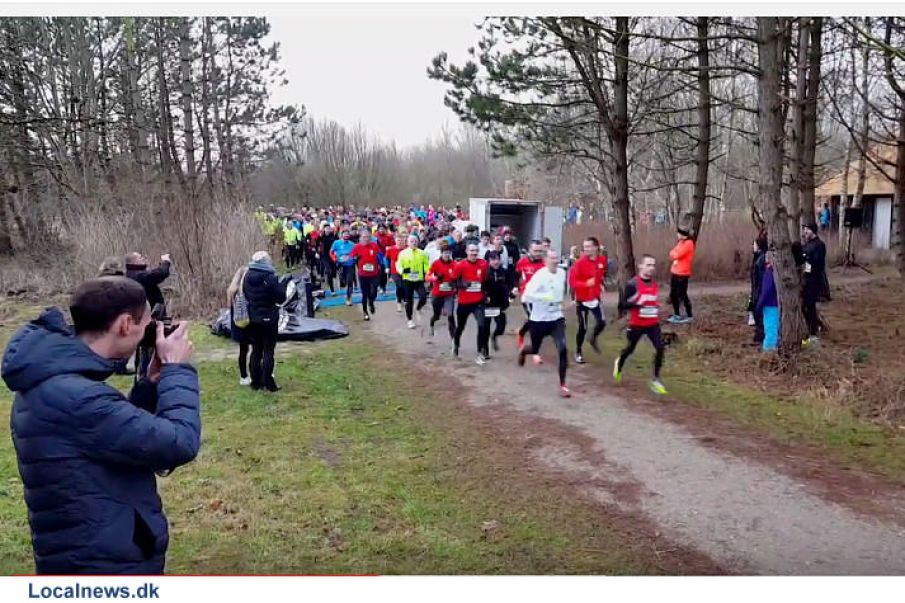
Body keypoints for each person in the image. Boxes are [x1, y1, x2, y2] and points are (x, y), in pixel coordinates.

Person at [2, 276, 200, 574]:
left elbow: (113, 436)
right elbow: (179, 443)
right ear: (124, 325)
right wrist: (177, 370)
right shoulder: (77, 397)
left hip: (86, 550)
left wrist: (150, 385)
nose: (149, 331)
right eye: (147, 323)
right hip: (103, 565)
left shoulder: (53, 383)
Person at [518, 250, 571, 398]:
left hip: (556, 319)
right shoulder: (540, 276)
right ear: (546, 260)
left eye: (556, 258)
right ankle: (523, 351)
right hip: (539, 320)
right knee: (534, 349)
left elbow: (560, 293)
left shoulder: (561, 273)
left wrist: (559, 303)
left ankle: (563, 385)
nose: (555, 261)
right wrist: (544, 297)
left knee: (562, 349)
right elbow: (525, 296)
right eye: (552, 258)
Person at [614, 254, 668, 395]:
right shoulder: (632, 284)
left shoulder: (654, 284)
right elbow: (622, 305)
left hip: (652, 324)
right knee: (630, 349)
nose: (651, 268)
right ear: (640, 266)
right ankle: (619, 364)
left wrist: (655, 306)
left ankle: (655, 379)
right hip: (636, 324)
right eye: (648, 265)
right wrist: (637, 304)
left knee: (660, 348)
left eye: (653, 265)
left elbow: (651, 301)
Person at [243, 251, 288, 391]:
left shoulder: (247, 275)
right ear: (265, 262)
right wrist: (283, 284)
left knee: (256, 350)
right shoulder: (270, 277)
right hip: (269, 317)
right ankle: (268, 382)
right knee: (268, 350)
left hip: (253, 316)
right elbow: (281, 297)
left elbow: (245, 293)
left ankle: (255, 382)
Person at [568, 236, 607, 364]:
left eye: (589, 247)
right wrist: (586, 284)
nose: (586, 249)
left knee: (602, 322)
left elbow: (600, 275)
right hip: (582, 300)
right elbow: (572, 282)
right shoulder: (579, 263)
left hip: (595, 298)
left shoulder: (602, 260)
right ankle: (578, 351)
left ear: (596, 247)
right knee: (582, 327)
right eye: (584, 247)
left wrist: (600, 284)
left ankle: (593, 338)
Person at [452, 243, 489, 363]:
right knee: (461, 327)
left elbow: (484, 281)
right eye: (471, 251)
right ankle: (456, 344)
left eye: (476, 251)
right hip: (464, 302)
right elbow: (453, 282)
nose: (474, 253)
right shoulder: (460, 265)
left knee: (482, 326)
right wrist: (462, 285)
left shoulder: (483, 264)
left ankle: (480, 352)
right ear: (467, 252)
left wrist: (485, 293)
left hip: (478, 301)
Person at [797, 222, 829, 345]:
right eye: (804, 229)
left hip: (814, 281)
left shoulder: (819, 245)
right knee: (805, 306)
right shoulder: (807, 245)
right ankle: (811, 331)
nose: (805, 232)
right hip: (806, 280)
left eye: (807, 229)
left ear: (813, 231)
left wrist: (806, 260)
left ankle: (813, 333)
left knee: (809, 306)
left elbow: (818, 264)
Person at [514, 240, 546, 356]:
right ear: (529, 251)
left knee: (536, 320)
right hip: (527, 296)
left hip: (541, 297)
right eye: (535, 251)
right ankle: (534, 350)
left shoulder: (544, 263)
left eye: (540, 251)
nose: (537, 253)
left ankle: (521, 333)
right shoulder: (522, 262)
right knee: (534, 320)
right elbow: (516, 277)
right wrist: (516, 288)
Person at [396, 234, 430, 329]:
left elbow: (426, 265)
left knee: (423, 298)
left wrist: (428, 274)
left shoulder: (423, 253)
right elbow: (398, 265)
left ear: (418, 242)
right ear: (407, 243)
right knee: (409, 301)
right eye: (411, 241)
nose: (413, 243)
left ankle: (418, 308)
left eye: (415, 241)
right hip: (407, 280)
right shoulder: (403, 253)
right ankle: (410, 320)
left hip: (418, 280)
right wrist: (403, 271)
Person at [482, 251, 512, 355]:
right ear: (489, 261)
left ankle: (494, 336)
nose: (496, 262)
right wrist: (485, 296)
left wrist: (509, 298)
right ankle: (485, 350)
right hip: (487, 304)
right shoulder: (485, 272)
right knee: (485, 327)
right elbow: (481, 286)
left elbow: (510, 286)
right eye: (493, 259)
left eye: (497, 259)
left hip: (500, 304)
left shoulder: (504, 272)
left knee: (501, 327)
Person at [227, 264, 252, 385]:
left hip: (238, 325)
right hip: (248, 324)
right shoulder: (246, 290)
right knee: (256, 349)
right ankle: (254, 373)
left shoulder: (231, 291)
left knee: (243, 351)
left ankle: (243, 376)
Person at [428, 240, 458, 340]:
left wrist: (455, 283)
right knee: (437, 315)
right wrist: (435, 278)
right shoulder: (436, 264)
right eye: (445, 253)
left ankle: (453, 337)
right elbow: (427, 276)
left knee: (450, 314)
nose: (447, 255)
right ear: (441, 253)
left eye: (448, 253)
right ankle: (432, 323)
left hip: (449, 294)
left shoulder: (454, 264)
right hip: (437, 294)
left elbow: (458, 276)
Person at [351, 229, 382, 321]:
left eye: (368, 237)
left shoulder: (374, 246)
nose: (366, 239)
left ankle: (371, 302)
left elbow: (380, 256)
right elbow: (351, 258)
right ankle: (365, 312)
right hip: (363, 274)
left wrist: (383, 264)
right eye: (364, 237)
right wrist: (356, 258)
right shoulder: (356, 247)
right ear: (360, 238)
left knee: (374, 292)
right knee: (365, 294)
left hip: (374, 273)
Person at [667, 227, 695, 324]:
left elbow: (676, 254)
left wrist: (674, 253)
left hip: (683, 274)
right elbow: (672, 252)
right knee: (673, 294)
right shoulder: (680, 243)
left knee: (682, 295)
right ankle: (677, 314)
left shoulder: (689, 244)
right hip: (675, 272)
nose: (677, 235)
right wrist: (673, 253)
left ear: (683, 235)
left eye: (678, 233)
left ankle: (689, 315)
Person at [756, 250, 780, 352]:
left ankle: (769, 351)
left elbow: (766, 291)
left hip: (770, 304)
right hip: (776, 304)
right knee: (774, 328)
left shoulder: (769, 272)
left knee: (771, 329)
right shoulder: (777, 273)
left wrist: (759, 305)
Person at [748, 234, 768, 343]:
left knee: (759, 313)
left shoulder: (761, 259)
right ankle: (759, 334)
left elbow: (759, 278)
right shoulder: (757, 257)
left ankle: (761, 335)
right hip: (756, 290)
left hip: (759, 290)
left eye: (754, 244)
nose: (753, 246)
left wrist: (757, 292)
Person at [330, 229, 357, 306]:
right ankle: (342, 281)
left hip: (349, 265)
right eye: (345, 234)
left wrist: (354, 258)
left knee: (350, 282)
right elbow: (331, 252)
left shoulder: (352, 244)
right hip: (340, 265)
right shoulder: (336, 243)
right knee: (343, 281)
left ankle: (348, 299)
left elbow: (356, 254)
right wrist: (334, 259)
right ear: (341, 235)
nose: (346, 235)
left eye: (347, 234)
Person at [385, 233, 405, 312]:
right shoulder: (391, 249)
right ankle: (399, 303)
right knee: (399, 286)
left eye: (401, 240)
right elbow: (386, 258)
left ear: (404, 241)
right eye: (398, 240)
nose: (400, 242)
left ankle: (402, 298)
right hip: (395, 271)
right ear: (395, 241)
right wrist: (387, 267)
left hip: (405, 271)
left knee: (404, 286)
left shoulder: (406, 249)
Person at [318, 223, 338, 295]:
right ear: (324, 229)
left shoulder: (333, 236)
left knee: (332, 273)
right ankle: (332, 290)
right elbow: (317, 244)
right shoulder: (321, 236)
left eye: (329, 229)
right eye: (326, 229)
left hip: (332, 256)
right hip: (324, 256)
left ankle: (328, 280)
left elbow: (337, 243)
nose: (328, 230)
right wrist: (317, 253)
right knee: (329, 271)